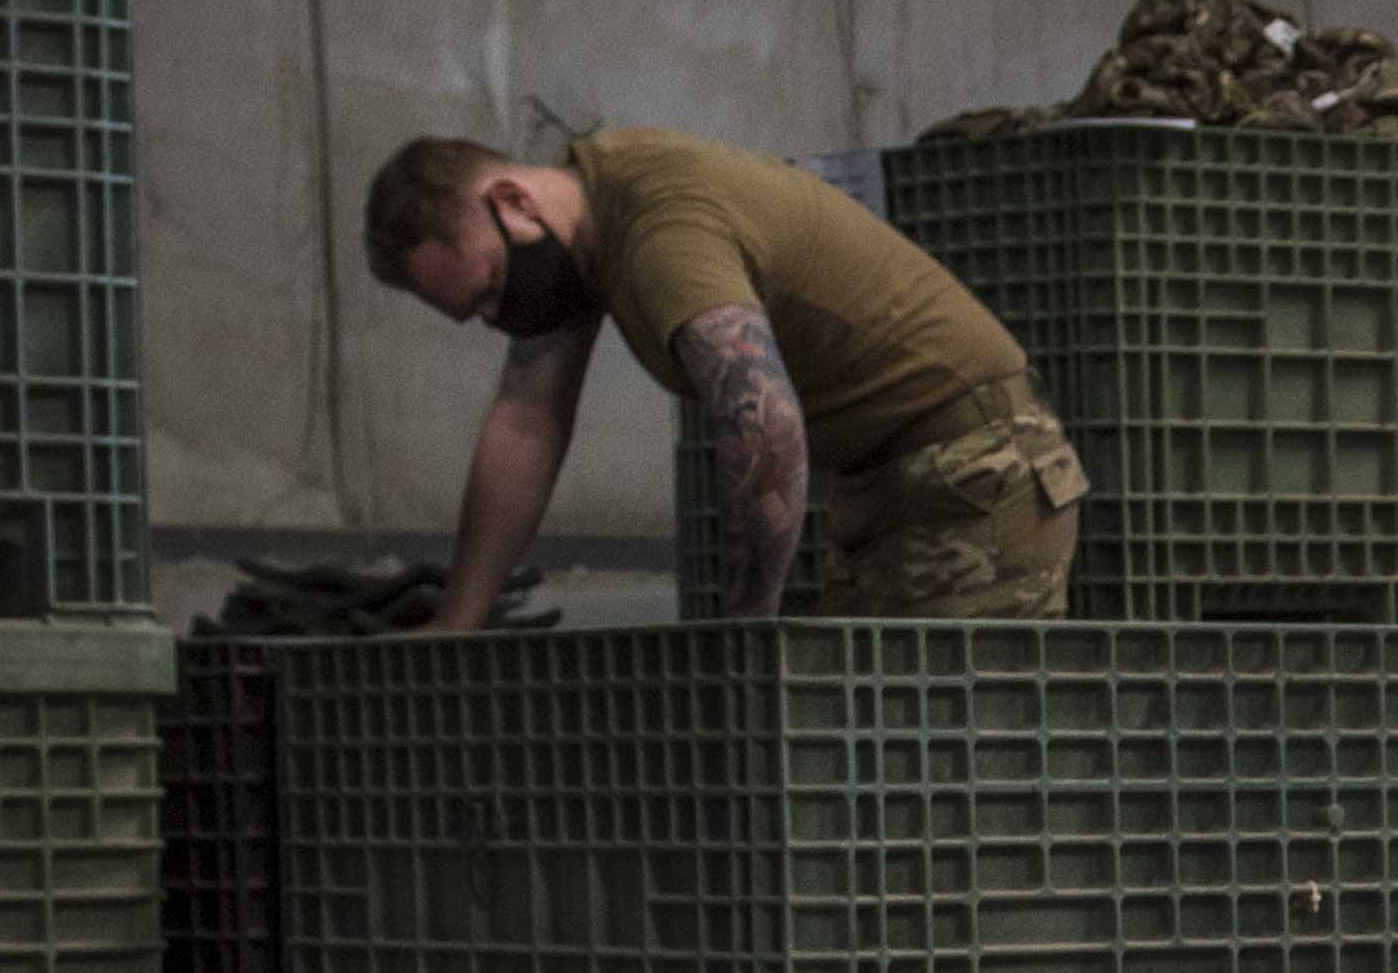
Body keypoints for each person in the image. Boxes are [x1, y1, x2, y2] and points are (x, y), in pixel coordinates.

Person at [359, 130, 1088, 628]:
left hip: (975, 467)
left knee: (955, 776)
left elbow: (763, 422)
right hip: (879, 481)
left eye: (489, 288)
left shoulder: (658, 230)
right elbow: (526, 421)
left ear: (514, 202)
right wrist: (456, 620)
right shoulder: (579, 228)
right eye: (474, 312)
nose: (497, 315)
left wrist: (744, 628)